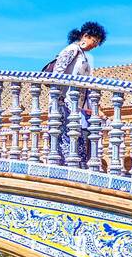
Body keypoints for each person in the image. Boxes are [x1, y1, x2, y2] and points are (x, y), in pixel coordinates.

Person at [44, 21, 107, 165]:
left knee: (73, 136)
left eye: (97, 43)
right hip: (63, 102)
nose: (95, 45)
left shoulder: (83, 55)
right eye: (94, 41)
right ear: (85, 36)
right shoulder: (72, 49)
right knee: (65, 136)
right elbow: (58, 72)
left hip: (72, 105)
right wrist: (58, 98)